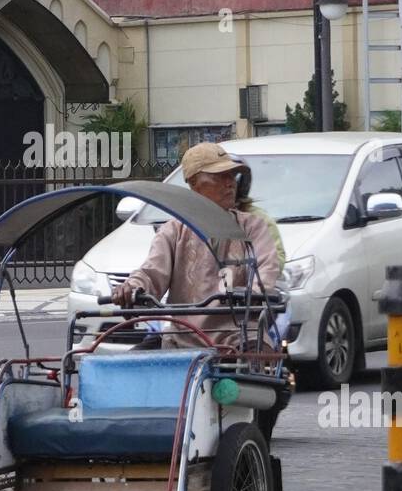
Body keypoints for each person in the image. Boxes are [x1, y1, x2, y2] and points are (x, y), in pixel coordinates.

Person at [111, 142, 284, 351]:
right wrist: (132, 288)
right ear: (194, 184)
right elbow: (152, 272)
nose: (230, 183)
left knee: (255, 360)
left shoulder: (252, 226)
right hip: (181, 337)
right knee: (130, 367)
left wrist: (254, 292)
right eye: (220, 177)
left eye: (232, 176)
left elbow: (267, 271)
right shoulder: (172, 232)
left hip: (238, 336)